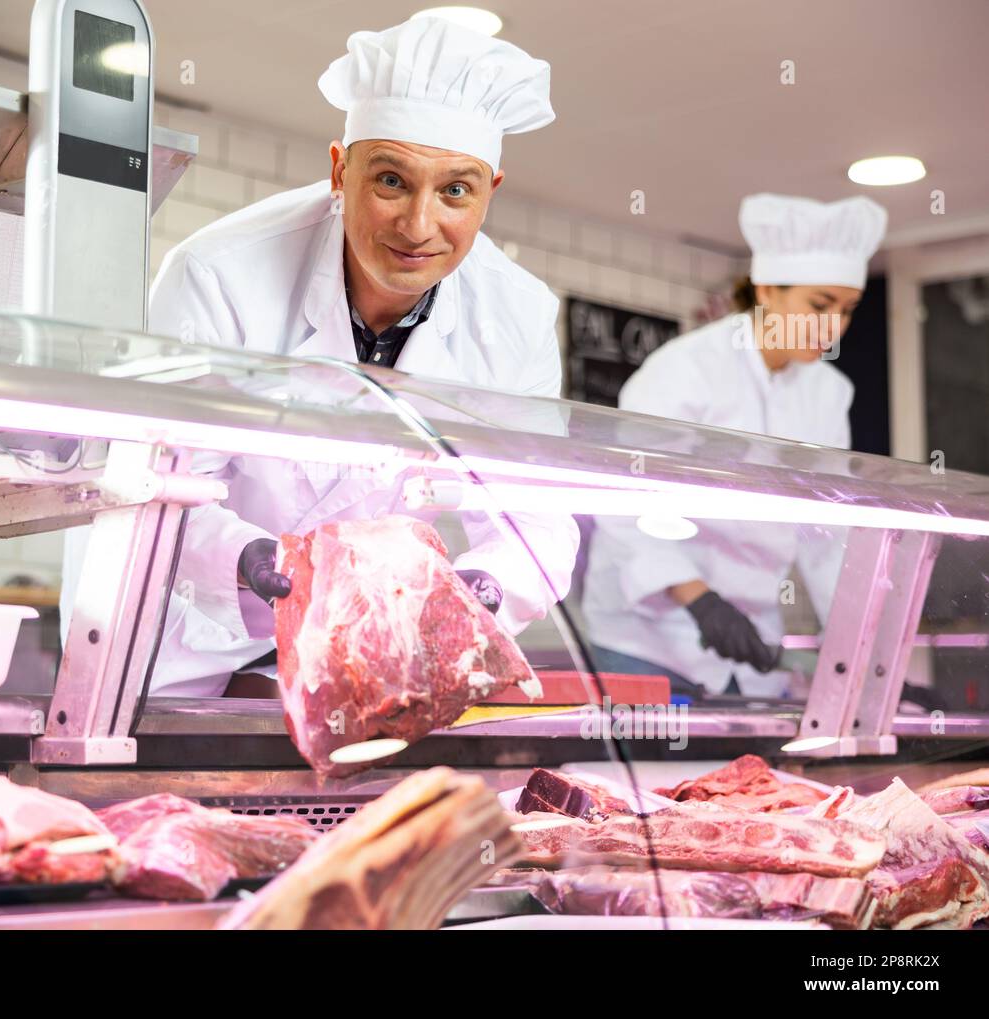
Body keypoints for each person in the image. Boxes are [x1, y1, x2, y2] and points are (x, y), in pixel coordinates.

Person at [60, 17, 580, 697]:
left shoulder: (517, 318)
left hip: (364, 662)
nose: (420, 226)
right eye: (391, 180)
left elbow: (535, 518)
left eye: (456, 190)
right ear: (339, 169)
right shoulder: (220, 275)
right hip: (181, 653)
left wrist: (484, 588)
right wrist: (246, 559)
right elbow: (150, 484)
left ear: (491, 192)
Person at [580, 193, 888, 699]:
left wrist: (862, 659)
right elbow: (628, 501)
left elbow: (825, 536)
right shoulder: (686, 370)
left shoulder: (829, 393)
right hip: (645, 637)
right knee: (646, 779)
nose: (834, 327)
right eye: (819, 305)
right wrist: (701, 601)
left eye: (848, 309)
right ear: (766, 288)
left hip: (751, 639)